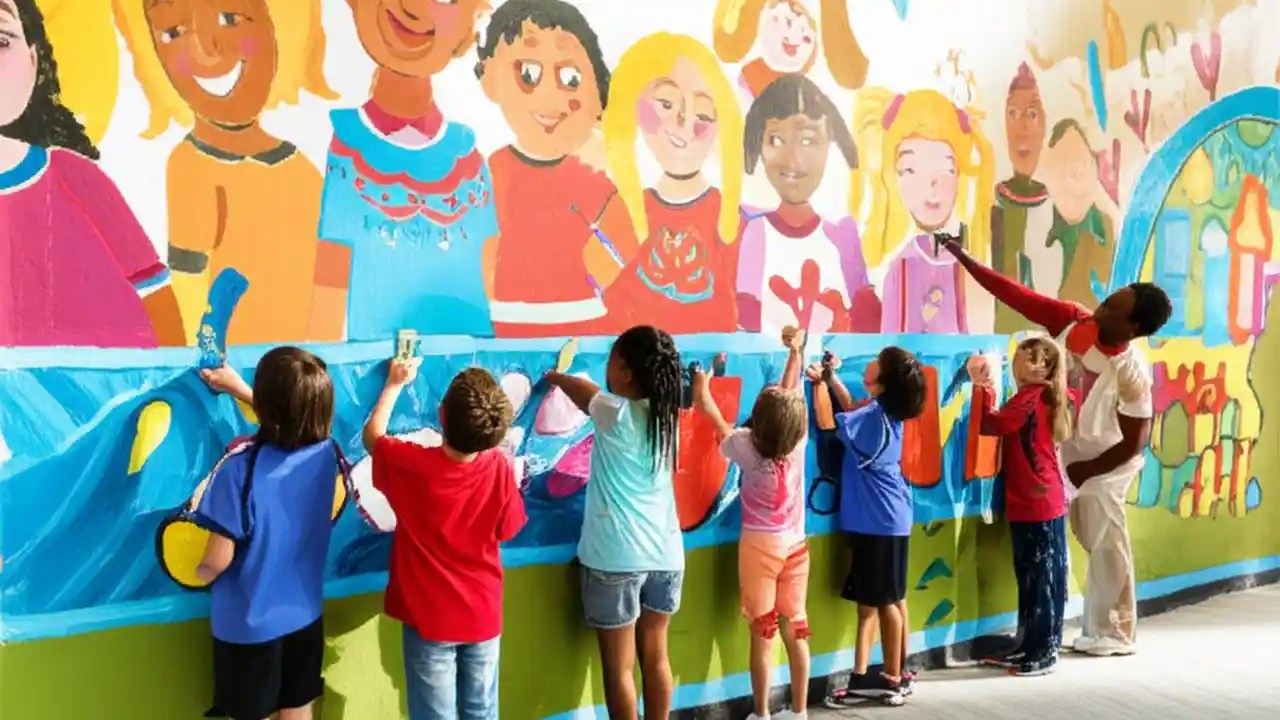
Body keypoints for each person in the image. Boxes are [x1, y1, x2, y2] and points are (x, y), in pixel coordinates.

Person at [939, 234, 1172, 657]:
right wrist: (964, 257)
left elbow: (1134, 443)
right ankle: (1047, 632)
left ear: (1133, 328)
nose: (1100, 309)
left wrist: (1084, 472)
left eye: (1113, 309)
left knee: (1104, 538)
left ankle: (1113, 632)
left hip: (1108, 460)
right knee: (1058, 542)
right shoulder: (1072, 321)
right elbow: (1014, 293)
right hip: (1067, 448)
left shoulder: (1130, 373)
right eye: (1107, 301)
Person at [0, 0, 184, 348]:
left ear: (33, 60)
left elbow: (153, 289)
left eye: (1, 41)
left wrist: (174, 374)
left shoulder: (73, 176)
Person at [363, 362, 526, 720]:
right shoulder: (499, 468)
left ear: (441, 415)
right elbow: (509, 529)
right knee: (482, 712)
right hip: (483, 615)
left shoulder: (412, 465)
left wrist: (394, 384)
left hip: (430, 620)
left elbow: (373, 438)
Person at [545, 326, 684, 720]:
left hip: (617, 558)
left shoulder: (615, 412)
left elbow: (581, 391)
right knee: (656, 659)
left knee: (619, 668)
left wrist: (554, 377)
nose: (606, 367)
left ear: (625, 374)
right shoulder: (666, 419)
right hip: (666, 556)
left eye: (611, 360)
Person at [194, 348, 340, 720]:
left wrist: (200, 572)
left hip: (249, 628)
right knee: (298, 709)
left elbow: (217, 560)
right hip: (304, 617)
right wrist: (239, 389)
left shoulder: (237, 472)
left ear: (266, 404)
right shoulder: (326, 454)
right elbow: (294, 420)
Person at [691, 326, 810, 719]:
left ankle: (762, 713)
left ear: (757, 422)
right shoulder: (797, 443)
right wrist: (795, 354)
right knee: (796, 628)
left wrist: (702, 389)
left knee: (763, 632)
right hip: (796, 547)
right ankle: (800, 711)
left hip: (760, 549)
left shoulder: (745, 446)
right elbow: (790, 398)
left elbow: (714, 417)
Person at [819, 347, 926, 705]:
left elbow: (830, 422)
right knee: (884, 601)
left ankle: (890, 681)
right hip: (885, 519)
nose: (870, 362)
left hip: (878, 522)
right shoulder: (881, 413)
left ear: (882, 381)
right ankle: (885, 673)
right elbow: (853, 408)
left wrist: (816, 384)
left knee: (887, 604)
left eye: (878, 363)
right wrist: (832, 378)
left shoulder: (873, 421)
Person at [970, 337, 1073, 676]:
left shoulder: (1031, 398)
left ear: (1044, 369)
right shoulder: (1041, 396)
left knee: (1041, 580)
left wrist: (982, 389)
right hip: (1037, 499)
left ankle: (1044, 650)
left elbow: (993, 424)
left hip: (1037, 501)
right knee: (1034, 578)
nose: (1016, 362)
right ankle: (1029, 644)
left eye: (1026, 358)